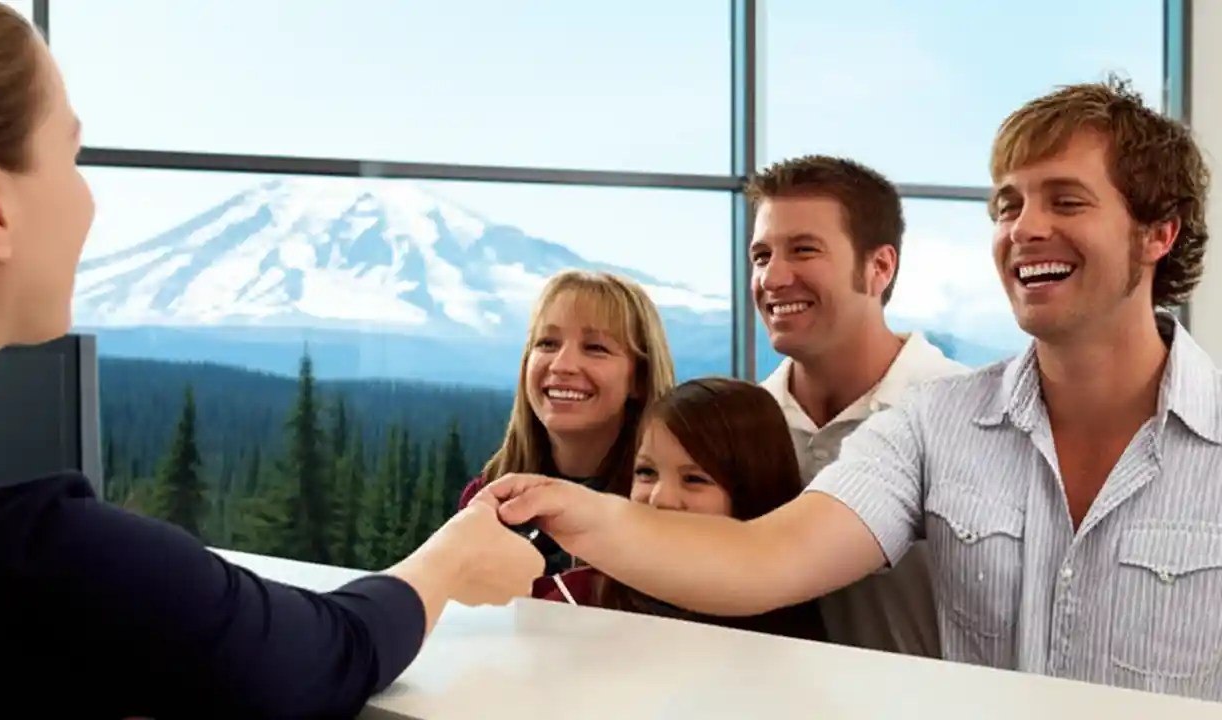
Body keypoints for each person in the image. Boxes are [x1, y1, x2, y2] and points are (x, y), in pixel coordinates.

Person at [478, 77, 1222, 701]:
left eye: (1065, 200)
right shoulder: (935, 425)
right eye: (1007, 205)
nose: (1023, 228)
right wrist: (567, 507)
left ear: (1158, 233)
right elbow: (762, 560)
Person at [0, 3, 543, 717]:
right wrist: (452, 560)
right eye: (72, 157)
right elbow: (324, 654)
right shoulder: (41, 563)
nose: (88, 199)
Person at [748, 154, 966, 657]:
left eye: (803, 250)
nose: (774, 278)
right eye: (761, 256)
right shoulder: (746, 422)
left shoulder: (963, 418)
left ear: (880, 267)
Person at [540, 377, 825, 641]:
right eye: (646, 472)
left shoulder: (796, 640)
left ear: (755, 494)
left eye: (694, 479)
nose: (660, 499)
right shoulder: (576, 601)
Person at [455, 269, 676, 588]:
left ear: (639, 379)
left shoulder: (664, 508)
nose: (562, 365)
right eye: (547, 343)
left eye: (595, 348)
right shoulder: (486, 500)